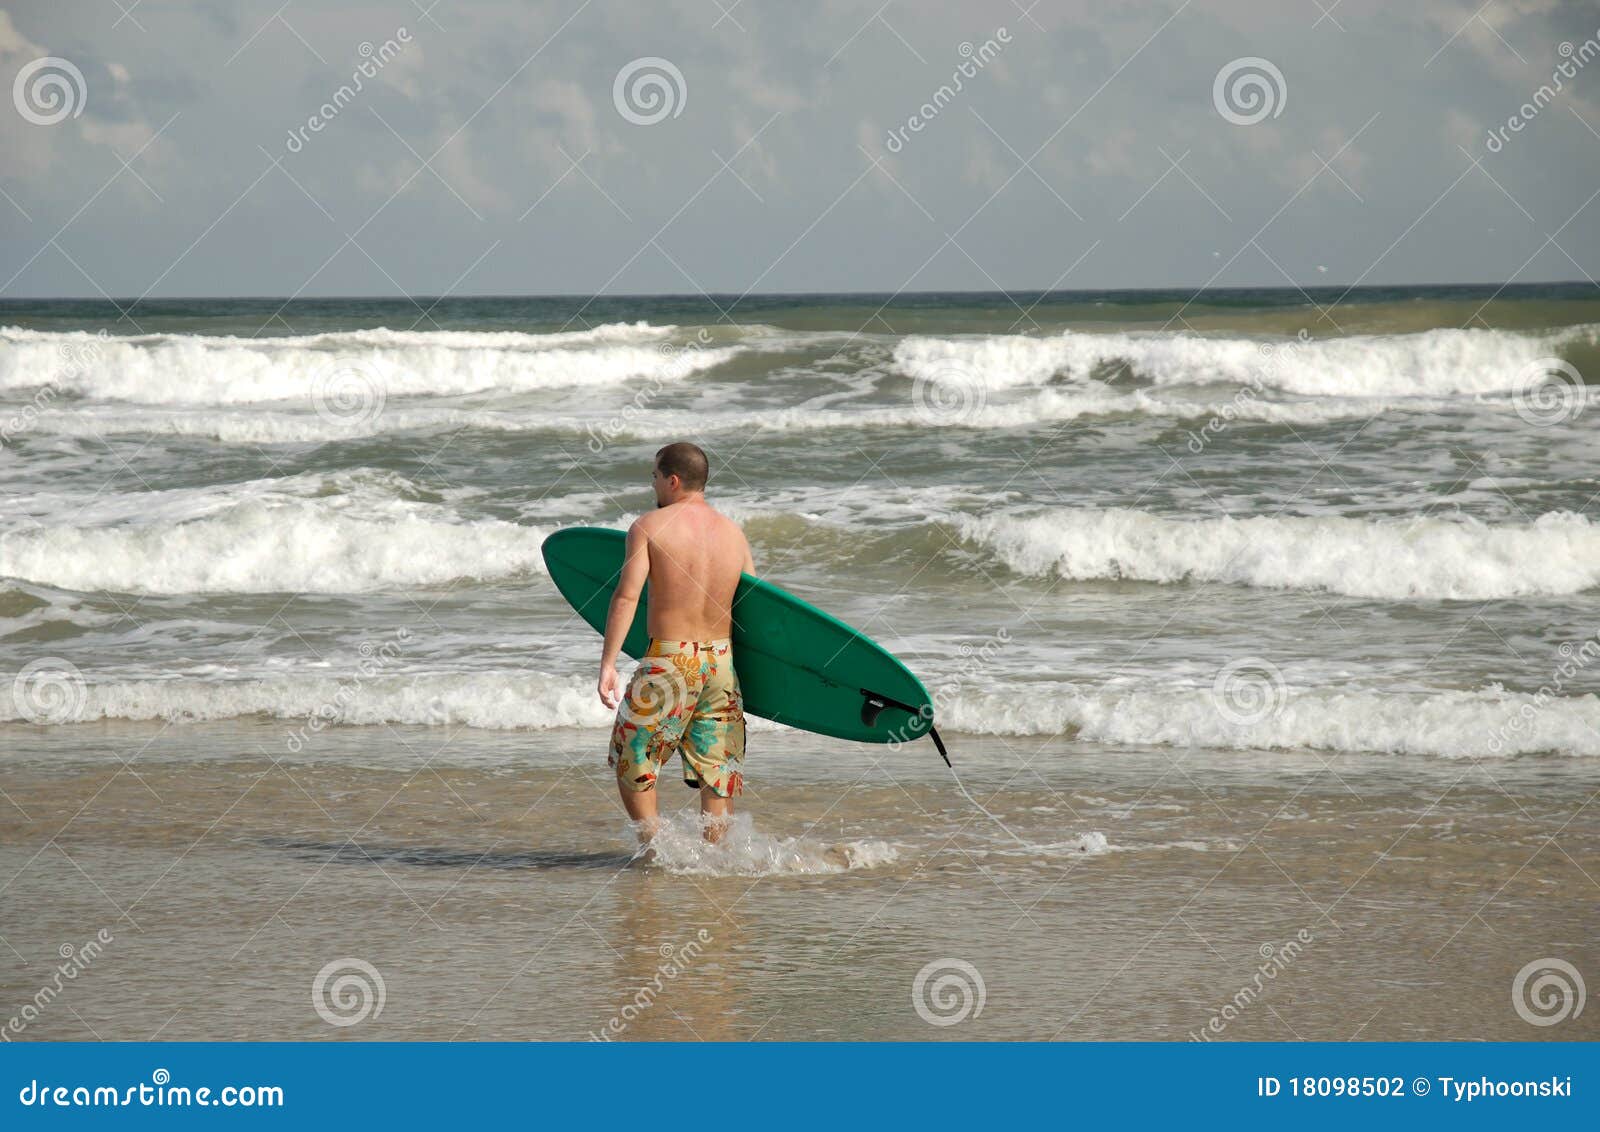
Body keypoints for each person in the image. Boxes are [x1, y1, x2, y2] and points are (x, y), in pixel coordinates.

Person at [598, 442, 753, 844]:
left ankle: (654, 847)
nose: (652, 484)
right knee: (717, 769)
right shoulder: (734, 534)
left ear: (673, 480)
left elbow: (627, 597)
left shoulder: (649, 526)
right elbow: (755, 610)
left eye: (654, 476)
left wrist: (608, 663)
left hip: (671, 660)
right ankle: (713, 857)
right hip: (722, 662)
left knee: (632, 757)